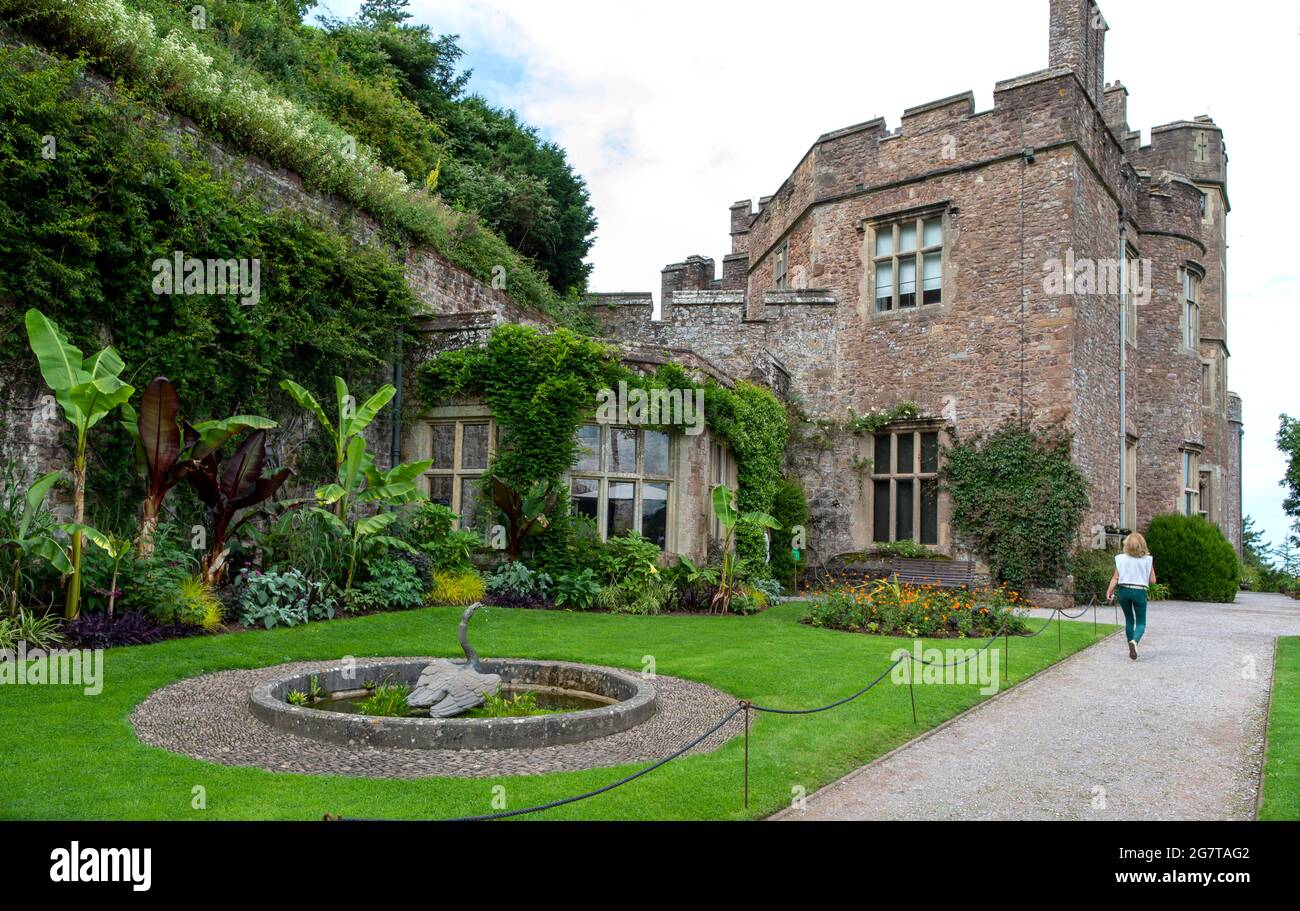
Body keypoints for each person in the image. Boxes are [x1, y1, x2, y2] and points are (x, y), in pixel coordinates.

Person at [1106, 533, 1156, 660]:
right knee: (1140, 623)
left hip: (1124, 590)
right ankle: (1135, 641)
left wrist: (1109, 592)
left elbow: (1115, 578)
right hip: (1139, 591)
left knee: (1129, 620)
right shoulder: (1147, 560)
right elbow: (1153, 580)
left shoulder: (1121, 559)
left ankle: (1130, 645)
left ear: (1127, 545)